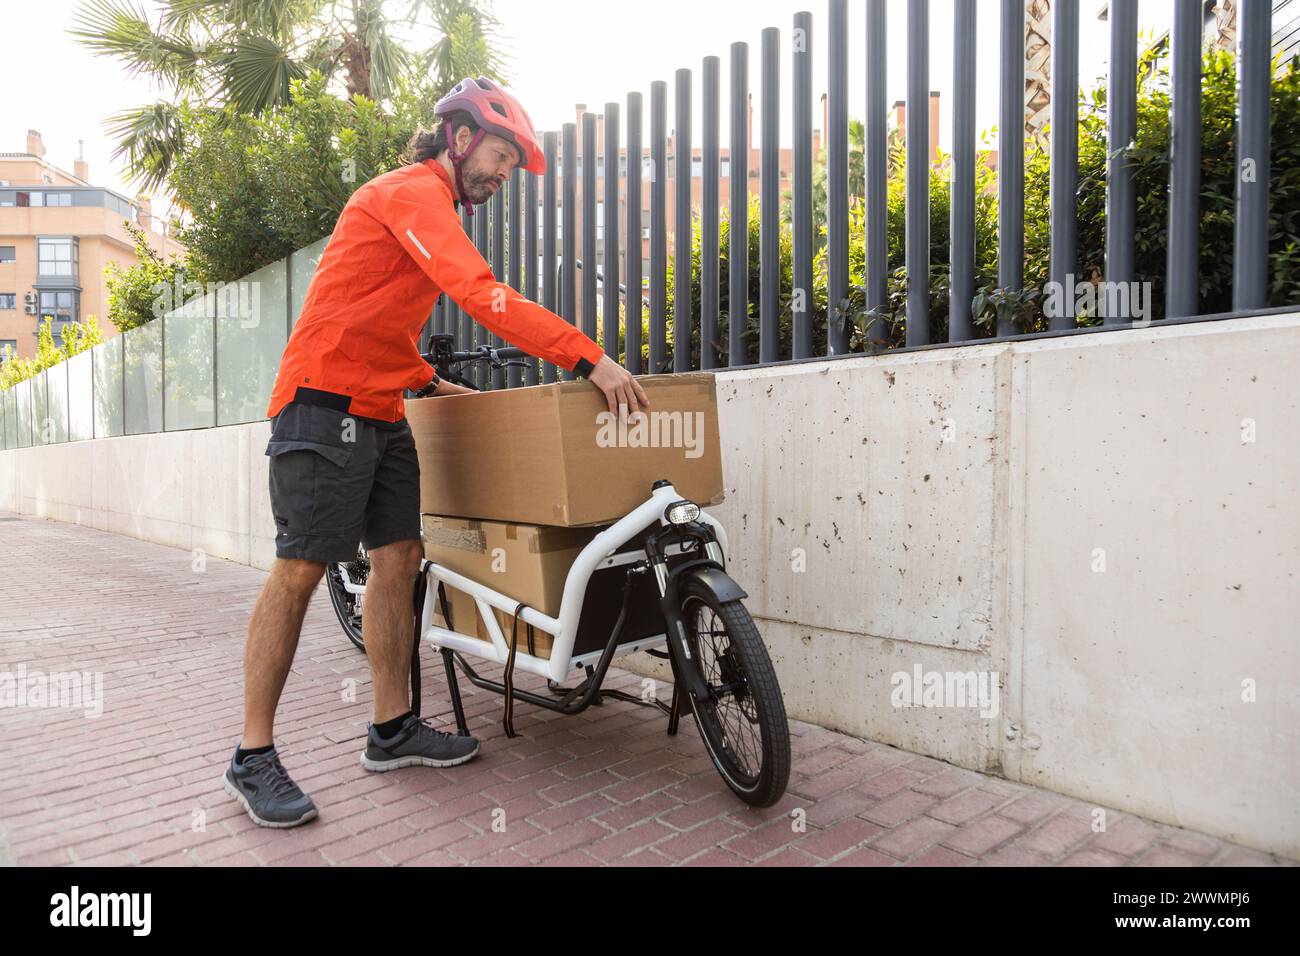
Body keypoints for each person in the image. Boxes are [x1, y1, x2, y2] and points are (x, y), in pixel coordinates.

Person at [223, 76, 650, 828]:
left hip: (383, 412)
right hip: (322, 408)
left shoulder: (437, 209)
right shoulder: (408, 192)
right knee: (300, 569)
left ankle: (391, 729)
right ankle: (251, 754)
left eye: (512, 165)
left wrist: (432, 382)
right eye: (499, 155)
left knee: (400, 558)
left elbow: (372, 311)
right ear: (457, 137)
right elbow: (482, 296)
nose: (503, 174)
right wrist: (590, 359)